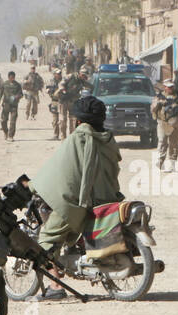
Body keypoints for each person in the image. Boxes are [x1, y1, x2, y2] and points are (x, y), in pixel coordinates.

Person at [28, 95, 122, 300]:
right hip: (105, 202)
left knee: (47, 240)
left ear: (78, 120)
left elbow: (59, 172)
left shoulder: (77, 138)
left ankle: (54, 287)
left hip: (78, 205)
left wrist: (34, 186)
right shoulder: (108, 140)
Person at [152, 78, 178, 171]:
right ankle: (160, 162)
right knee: (162, 142)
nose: (171, 89)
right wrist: (158, 103)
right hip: (162, 122)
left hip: (175, 123)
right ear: (165, 87)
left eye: (172, 87)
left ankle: (172, 163)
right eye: (169, 87)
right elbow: (152, 109)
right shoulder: (159, 97)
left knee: (174, 144)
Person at [0, 71, 24, 141]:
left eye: (13, 77)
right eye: (10, 77)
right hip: (6, 104)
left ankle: (11, 135)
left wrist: (17, 97)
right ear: (8, 77)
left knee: (13, 121)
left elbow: (21, 94)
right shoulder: (4, 84)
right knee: (3, 120)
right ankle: (5, 132)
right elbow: (0, 93)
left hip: (14, 105)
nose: (12, 79)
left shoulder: (17, 85)